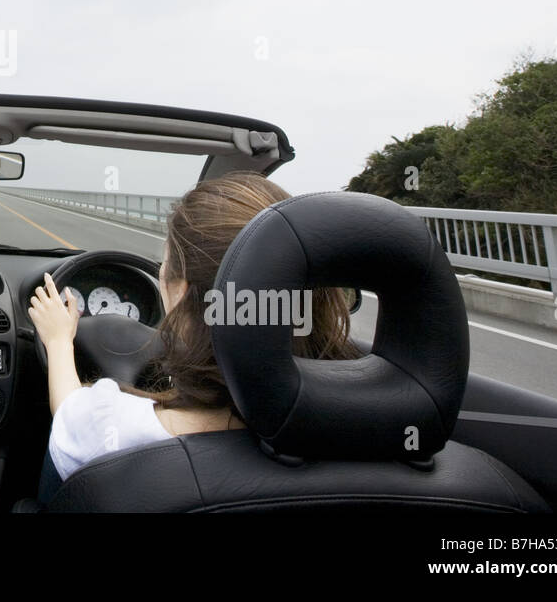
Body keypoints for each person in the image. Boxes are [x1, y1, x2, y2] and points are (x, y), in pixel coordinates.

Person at [27, 172, 360, 502]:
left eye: (166, 263)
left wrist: (58, 340)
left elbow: (69, 410)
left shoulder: (109, 426)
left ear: (181, 293)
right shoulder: (364, 428)